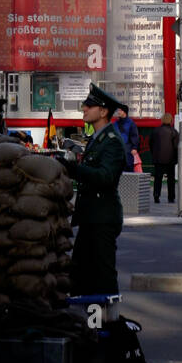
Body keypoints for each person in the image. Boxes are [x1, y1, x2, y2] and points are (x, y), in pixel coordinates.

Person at [64, 83, 127, 296]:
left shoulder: (112, 142)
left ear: (103, 111)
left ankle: (109, 322)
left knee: (103, 275)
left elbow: (106, 177)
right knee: (80, 273)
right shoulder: (97, 139)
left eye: (89, 106)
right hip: (91, 216)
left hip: (103, 217)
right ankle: (88, 324)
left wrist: (75, 170)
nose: (84, 109)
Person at [149, 112, 179, 204]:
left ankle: (156, 196)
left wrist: (154, 153)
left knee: (158, 178)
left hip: (158, 158)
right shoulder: (174, 132)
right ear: (171, 120)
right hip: (170, 159)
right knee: (171, 179)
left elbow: (151, 144)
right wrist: (176, 158)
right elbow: (176, 147)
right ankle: (171, 197)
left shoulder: (156, 131)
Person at [112, 104, 139, 171]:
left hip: (127, 150)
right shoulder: (115, 123)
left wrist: (134, 148)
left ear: (124, 112)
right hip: (117, 150)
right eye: (118, 110)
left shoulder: (131, 123)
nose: (118, 112)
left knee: (128, 167)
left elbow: (134, 135)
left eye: (120, 110)